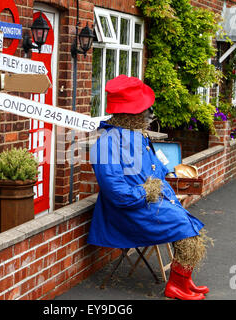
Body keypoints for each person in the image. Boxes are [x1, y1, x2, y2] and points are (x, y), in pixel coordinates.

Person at [87, 74, 213, 300]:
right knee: (186, 231)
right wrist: (146, 191)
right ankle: (176, 286)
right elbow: (118, 194)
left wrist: (169, 174)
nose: (148, 114)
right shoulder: (106, 143)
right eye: (143, 110)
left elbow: (153, 169)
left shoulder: (138, 135)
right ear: (130, 113)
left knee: (190, 226)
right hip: (128, 213)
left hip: (148, 203)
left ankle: (183, 281)